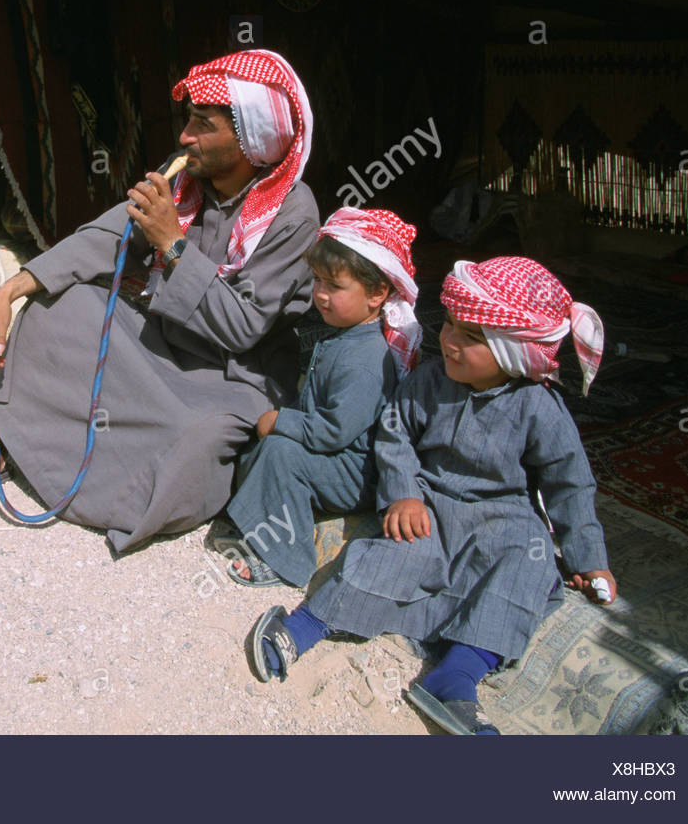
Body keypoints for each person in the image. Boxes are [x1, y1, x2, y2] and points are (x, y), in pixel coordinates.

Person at [0, 49, 321, 552]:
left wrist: (172, 243)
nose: (184, 137)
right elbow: (109, 233)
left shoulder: (294, 214)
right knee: (55, 310)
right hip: (161, 337)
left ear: (250, 141)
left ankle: (78, 465)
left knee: (192, 442)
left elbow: (243, 327)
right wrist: (13, 287)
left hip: (232, 374)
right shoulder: (184, 177)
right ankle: (8, 432)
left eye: (204, 125)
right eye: (188, 122)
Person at [245, 257, 617, 736]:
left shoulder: (538, 407)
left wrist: (589, 557)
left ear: (516, 353)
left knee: (531, 564)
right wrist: (401, 496)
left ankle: (456, 676)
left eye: (472, 337)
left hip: (503, 516)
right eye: (452, 327)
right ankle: (302, 627)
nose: (451, 341)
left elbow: (570, 483)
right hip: (430, 500)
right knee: (390, 552)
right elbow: (394, 437)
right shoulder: (428, 380)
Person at [220, 207, 420, 587]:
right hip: (333, 455)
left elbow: (332, 432)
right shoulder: (344, 336)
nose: (321, 295)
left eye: (335, 286)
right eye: (318, 281)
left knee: (281, 453)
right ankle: (258, 521)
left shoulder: (366, 363)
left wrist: (282, 421)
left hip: (354, 471)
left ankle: (284, 559)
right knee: (261, 449)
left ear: (377, 294)